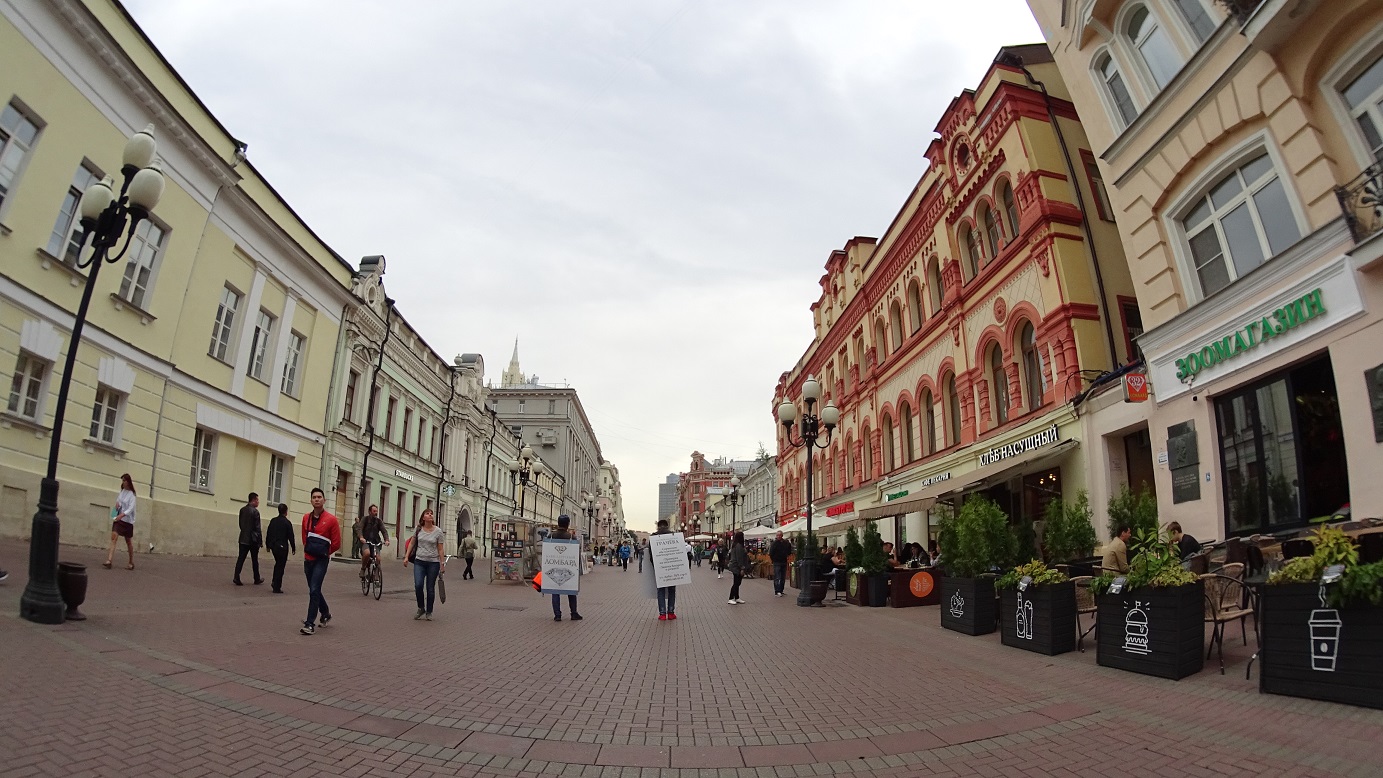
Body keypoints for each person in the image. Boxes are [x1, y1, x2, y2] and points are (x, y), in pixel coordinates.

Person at [300, 487, 341, 635]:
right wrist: (309, 549)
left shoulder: (331, 520)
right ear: (311, 500)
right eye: (314, 497)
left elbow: (336, 542)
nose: (317, 499)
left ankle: (310, 623)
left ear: (324, 500)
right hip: (308, 558)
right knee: (314, 589)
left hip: (321, 560)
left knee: (314, 589)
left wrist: (325, 552)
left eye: (319, 497)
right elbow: (304, 537)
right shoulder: (306, 518)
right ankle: (325, 613)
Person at [403, 508, 445, 621]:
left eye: (431, 513)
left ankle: (429, 611)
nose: (430, 515)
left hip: (433, 563)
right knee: (418, 585)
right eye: (427, 513)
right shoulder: (418, 529)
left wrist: (442, 563)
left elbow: (440, 549)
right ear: (423, 517)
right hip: (419, 561)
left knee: (430, 588)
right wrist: (406, 556)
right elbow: (412, 543)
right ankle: (421, 607)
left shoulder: (438, 531)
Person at [547, 515, 582, 621]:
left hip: (554, 566)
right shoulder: (571, 537)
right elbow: (576, 554)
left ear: (558, 523)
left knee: (555, 590)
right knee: (571, 590)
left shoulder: (551, 536)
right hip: (568, 568)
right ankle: (573, 613)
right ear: (568, 524)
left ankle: (557, 614)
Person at [103, 473, 137, 570]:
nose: (123, 482)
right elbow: (118, 501)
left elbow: (130, 508)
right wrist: (116, 508)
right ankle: (109, 560)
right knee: (114, 537)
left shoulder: (132, 495)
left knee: (128, 541)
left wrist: (122, 514)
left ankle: (131, 561)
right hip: (119, 519)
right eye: (122, 481)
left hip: (127, 521)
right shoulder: (122, 491)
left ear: (128, 482)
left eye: (124, 481)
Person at [650, 519, 677, 620]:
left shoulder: (653, 536)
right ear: (667, 526)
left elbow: (651, 554)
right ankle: (671, 612)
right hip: (672, 567)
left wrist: (655, 566)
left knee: (660, 590)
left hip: (659, 567)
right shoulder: (673, 535)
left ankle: (662, 613)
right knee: (671, 590)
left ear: (658, 526)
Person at [265, 502, 296, 593]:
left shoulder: (273, 520)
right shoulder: (287, 523)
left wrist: (268, 545)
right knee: (280, 566)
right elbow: (291, 536)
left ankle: (275, 581)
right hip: (283, 547)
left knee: (277, 564)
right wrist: (293, 547)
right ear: (286, 512)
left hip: (274, 546)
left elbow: (269, 533)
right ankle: (276, 586)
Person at [234, 493, 264, 586]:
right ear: (254, 500)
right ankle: (256, 578)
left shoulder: (242, 510)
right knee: (254, 559)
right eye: (257, 500)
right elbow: (257, 528)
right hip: (253, 540)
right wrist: (260, 540)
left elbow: (240, 524)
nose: (258, 502)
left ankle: (236, 576)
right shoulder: (255, 512)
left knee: (241, 558)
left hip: (243, 537)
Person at [359, 504, 390, 579]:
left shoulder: (378, 521)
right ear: (369, 512)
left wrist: (387, 540)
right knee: (367, 553)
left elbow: (384, 531)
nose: (376, 513)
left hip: (376, 543)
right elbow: (359, 529)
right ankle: (363, 569)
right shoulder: (365, 519)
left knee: (378, 559)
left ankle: (376, 573)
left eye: (376, 511)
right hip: (366, 542)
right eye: (374, 511)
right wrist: (361, 537)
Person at [726, 531, 748, 604]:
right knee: (736, 582)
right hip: (737, 566)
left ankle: (737, 597)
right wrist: (742, 568)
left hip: (735, 565)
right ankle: (731, 598)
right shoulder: (738, 546)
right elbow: (739, 558)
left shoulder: (735, 545)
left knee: (737, 582)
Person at [768, 531, 791, 598]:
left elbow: (789, 550)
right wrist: (773, 560)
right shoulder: (774, 543)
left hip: (783, 561)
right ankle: (777, 591)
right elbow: (771, 553)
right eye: (777, 535)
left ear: (782, 535)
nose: (778, 536)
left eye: (780, 535)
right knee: (777, 577)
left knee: (783, 577)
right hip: (777, 562)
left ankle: (781, 590)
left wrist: (787, 555)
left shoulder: (785, 543)